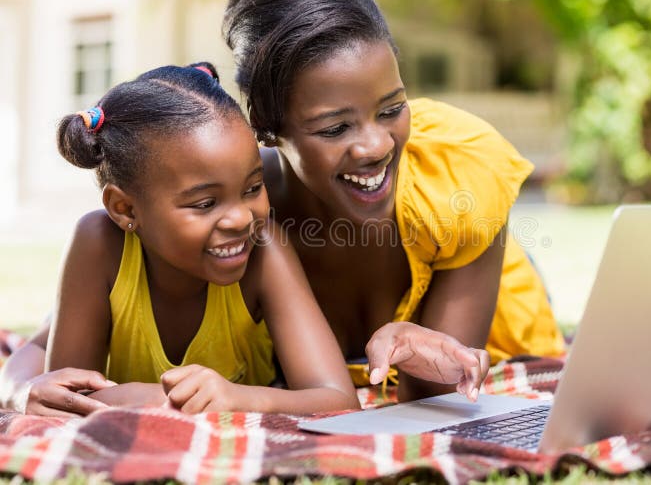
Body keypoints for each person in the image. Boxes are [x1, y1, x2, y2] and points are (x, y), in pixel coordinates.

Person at [0, 62, 489, 416]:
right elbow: (66, 394)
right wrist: (19, 390)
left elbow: (338, 399)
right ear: (126, 210)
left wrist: (236, 398)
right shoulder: (98, 243)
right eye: (204, 203)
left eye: (253, 188)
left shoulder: (264, 250)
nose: (240, 218)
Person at [221, 0, 565, 401]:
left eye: (391, 109)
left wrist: (413, 343)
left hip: (493, 300)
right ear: (265, 125)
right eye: (335, 128)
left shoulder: (456, 170)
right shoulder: (234, 215)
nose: (377, 146)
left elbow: (441, 395)